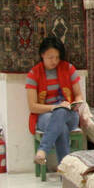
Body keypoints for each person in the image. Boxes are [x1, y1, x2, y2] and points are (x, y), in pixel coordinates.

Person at [25, 36, 85, 170]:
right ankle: (65, 174)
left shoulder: (68, 68)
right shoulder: (34, 74)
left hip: (69, 114)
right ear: (42, 55)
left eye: (57, 57)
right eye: (50, 57)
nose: (54, 61)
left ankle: (43, 150)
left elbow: (78, 94)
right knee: (61, 127)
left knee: (62, 112)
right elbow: (32, 106)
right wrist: (55, 107)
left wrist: (78, 102)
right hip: (45, 115)